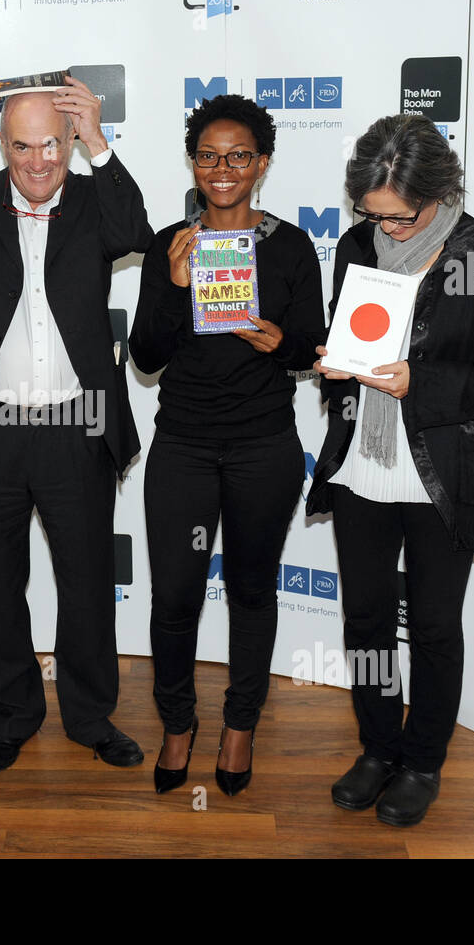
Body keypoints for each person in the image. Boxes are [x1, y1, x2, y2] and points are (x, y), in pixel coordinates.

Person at [0, 75, 153, 771]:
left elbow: (139, 234)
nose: (38, 161)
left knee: (86, 580)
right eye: (20, 147)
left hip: (79, 423)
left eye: (51, 144)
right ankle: (12, 713)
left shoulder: (97, 199)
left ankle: (91, 715)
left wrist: (101, 143)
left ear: (70, 139)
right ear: (0, 144)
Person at [306, 114, 474, 826]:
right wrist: (335, 367)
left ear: (441, 190)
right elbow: (351, 339)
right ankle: (378, 747)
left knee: (435, 626)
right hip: (363, 467)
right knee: (367, 619)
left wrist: (424, 383)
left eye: (402, 216)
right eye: (374, 214)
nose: (388, 228)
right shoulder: (355, 246)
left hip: (443, 471)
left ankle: (423, 759)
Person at [129, 95, 325, 797]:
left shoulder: (293, 246)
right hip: (182, 444)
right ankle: (177, 722)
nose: (222, 168)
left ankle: (240, 725)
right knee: (175, 595)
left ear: (262, 164)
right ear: (193, 162)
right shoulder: (168, 244)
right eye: (209, 155)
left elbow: (312, 345)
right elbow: (145, 355)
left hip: (263, 446)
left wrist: (283, 343)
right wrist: (179, 288)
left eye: (238, 155)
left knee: (251, 589)